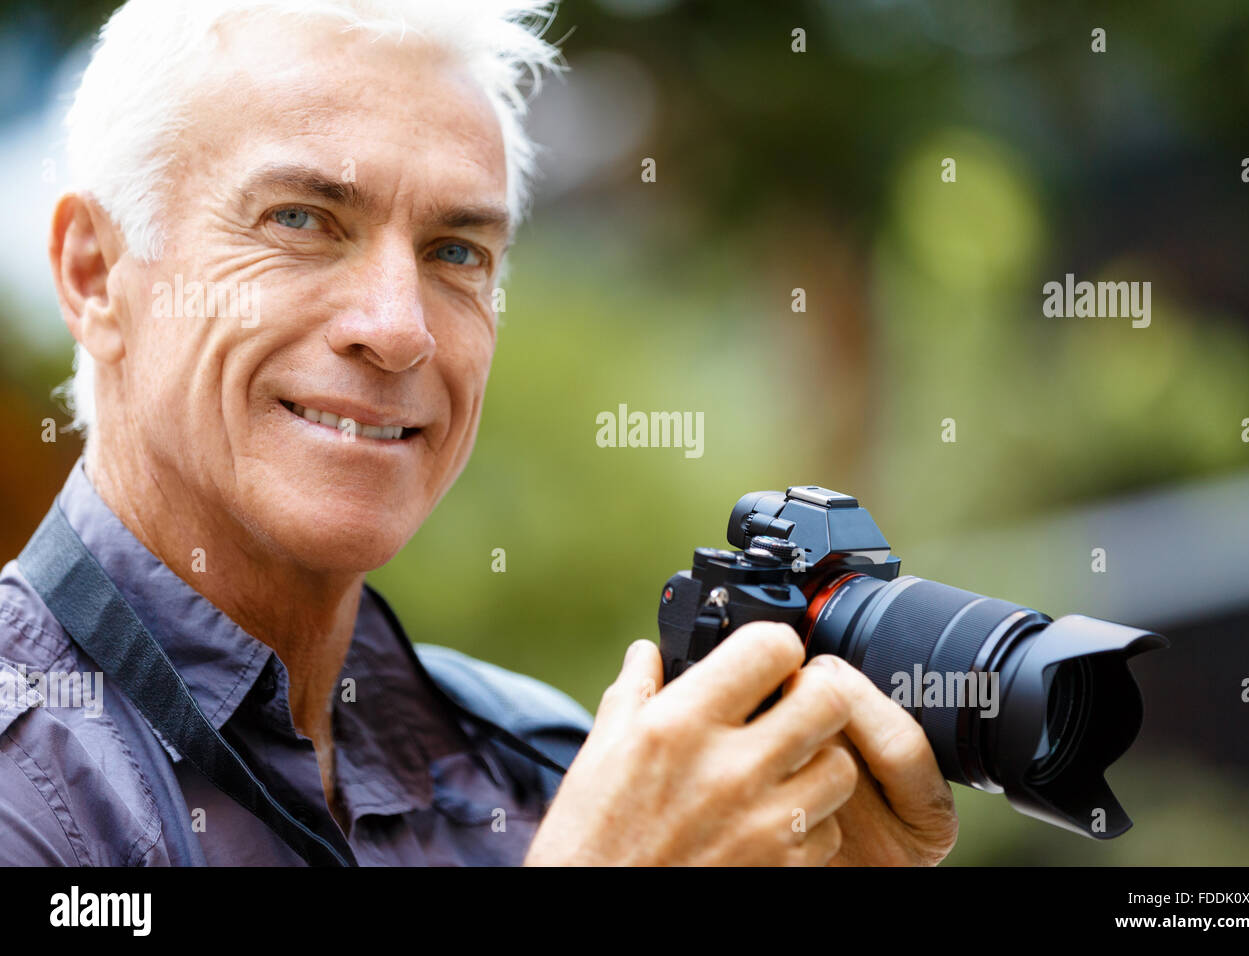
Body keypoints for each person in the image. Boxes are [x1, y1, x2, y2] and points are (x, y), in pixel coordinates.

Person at [0, 0, 958, 866]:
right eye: (301, 219)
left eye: (455, 251)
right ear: (94, 275)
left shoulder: (548, 771)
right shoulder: (26, 790)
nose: (399, 326)